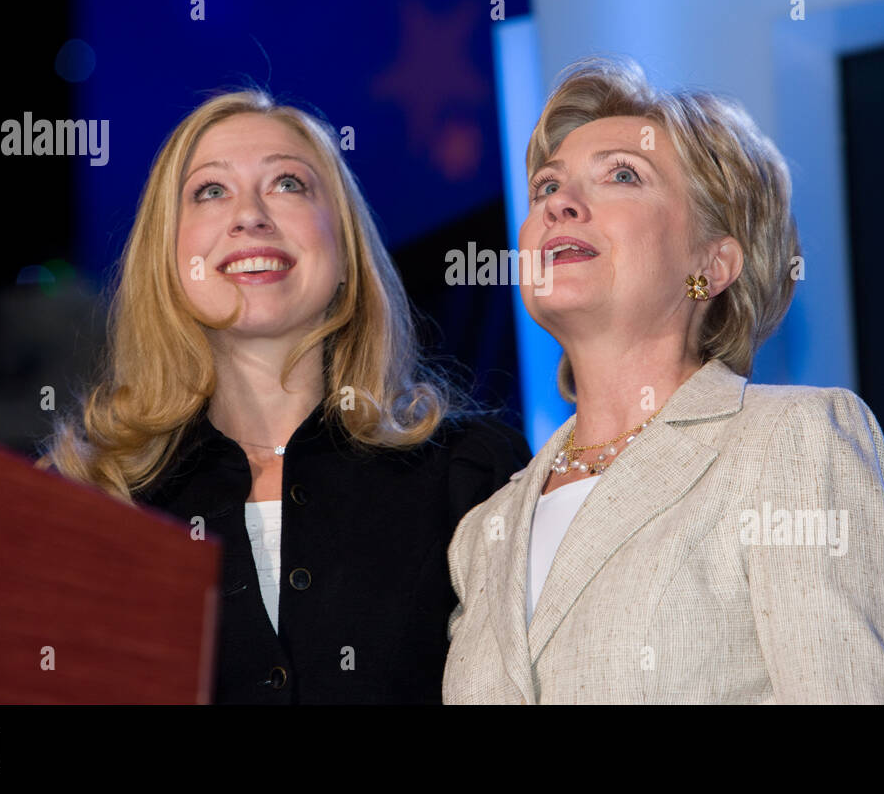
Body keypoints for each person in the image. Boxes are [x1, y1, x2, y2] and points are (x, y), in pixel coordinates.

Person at [442, 57, 884, 704]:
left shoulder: (793, 443)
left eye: (621, 175)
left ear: (712, 263)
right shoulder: (485, 531)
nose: (560, 204)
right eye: (546, 188)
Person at [36, 89, 530, 703]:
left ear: (346, 251)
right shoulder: (88, 497)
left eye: (288, 184)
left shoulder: (474, 473)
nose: (249, 215)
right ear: (166, 261)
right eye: (210, 191)